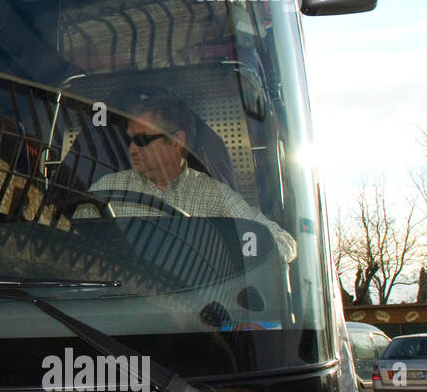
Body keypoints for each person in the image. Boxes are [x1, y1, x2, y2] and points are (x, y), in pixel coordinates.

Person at [73, 88, 297, 262]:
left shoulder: (213, 196)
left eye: (142, 140)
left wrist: (229, 253)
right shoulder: (108, 191)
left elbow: (284, 244)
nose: (132, 149)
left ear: (177, 141)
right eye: (130, 140)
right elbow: (71, 248)